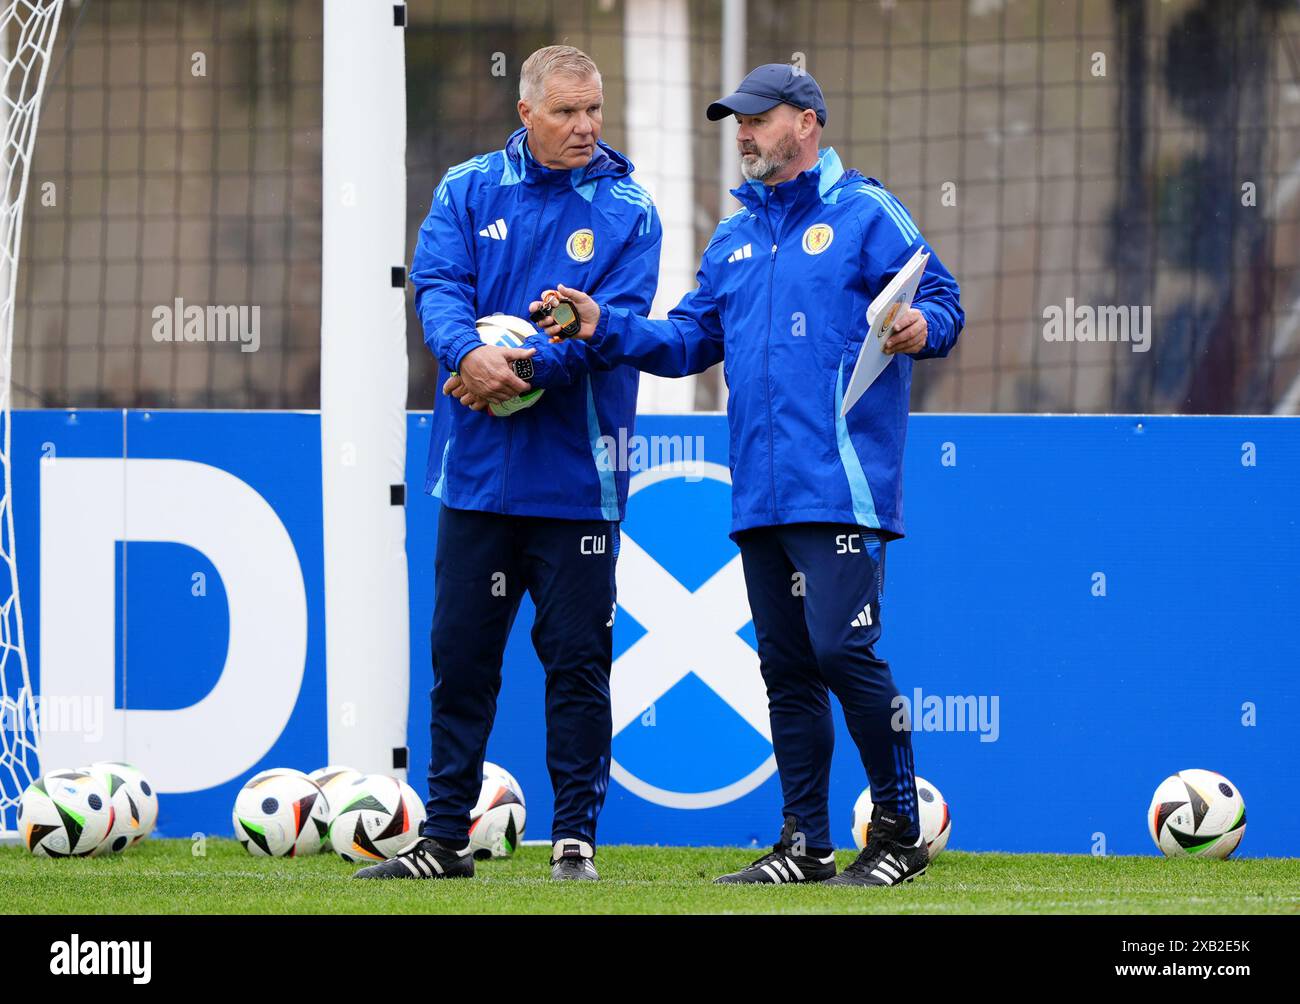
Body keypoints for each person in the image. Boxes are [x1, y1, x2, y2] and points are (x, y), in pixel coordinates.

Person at [507, 64, 965, 886]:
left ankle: (898, 832)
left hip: (841, 486)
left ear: (809, 124)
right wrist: (599, 323)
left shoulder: (864, 212)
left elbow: (944, 301)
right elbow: (685, 343)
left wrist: (921, 323)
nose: (745, 132)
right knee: (786, 669)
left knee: (843, 652)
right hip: (760, 492)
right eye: (738, 121)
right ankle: (806, 844)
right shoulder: (734, 237)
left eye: (760, 118)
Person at [355, 45, 662, 882]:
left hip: (576, 483)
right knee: (462, 661)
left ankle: (574, 844)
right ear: (526, 113)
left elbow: (616, 326)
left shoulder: (631, 209)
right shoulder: (465, 188)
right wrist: (465, 351)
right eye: (566, 112)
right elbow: (437, 285)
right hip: (477, 479)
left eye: (594, 109)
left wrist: (515, 373)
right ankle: (445, 840)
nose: (585, 127)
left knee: (576, 666)